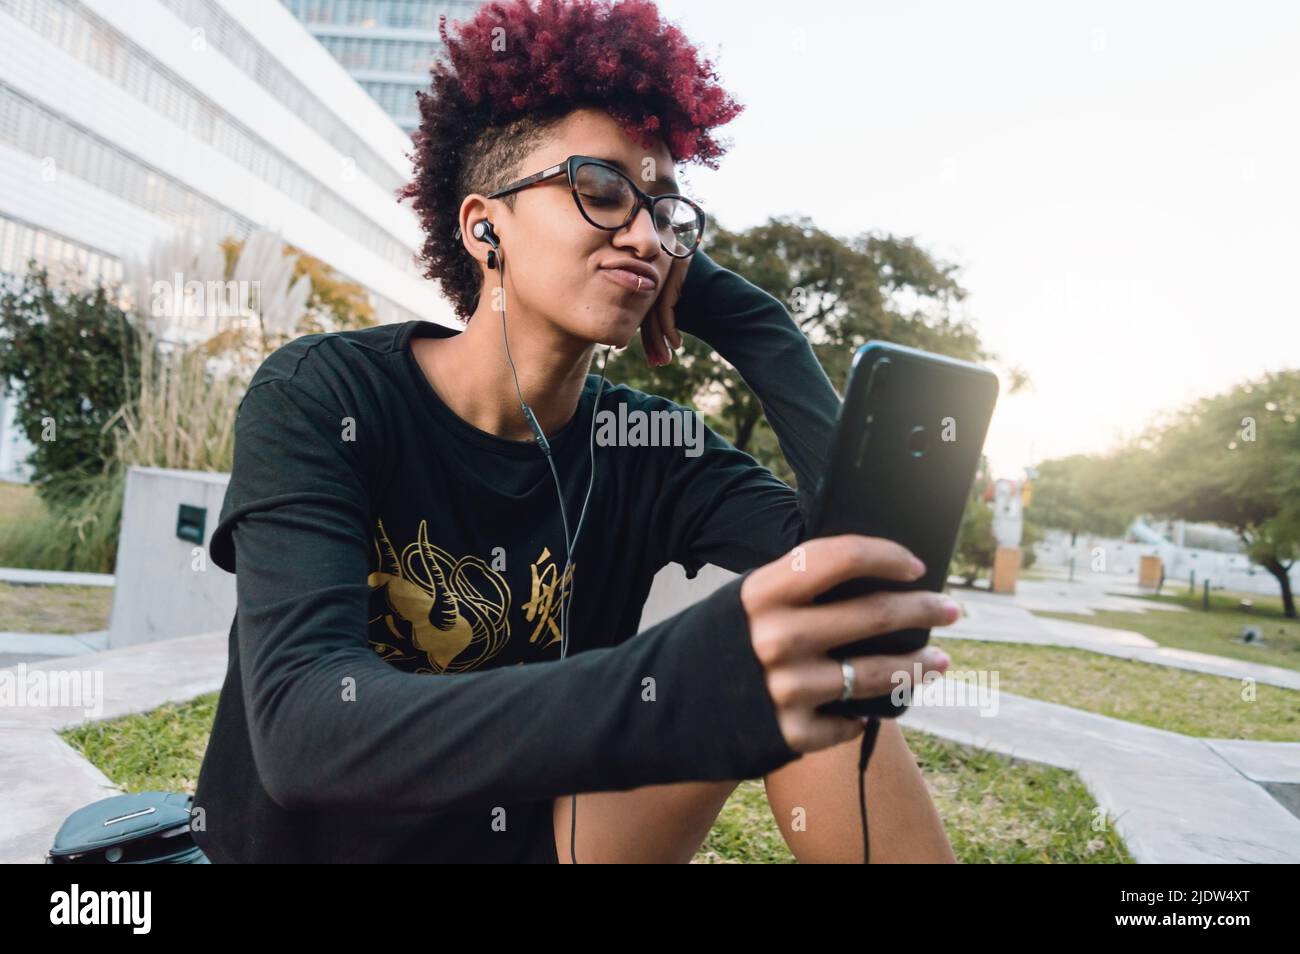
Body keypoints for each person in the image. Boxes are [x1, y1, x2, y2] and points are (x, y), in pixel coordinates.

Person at [191, 0, 958, 863]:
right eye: (599, 191)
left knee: (833, 686)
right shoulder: (324, 395)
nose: (644, 234)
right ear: (486, 226)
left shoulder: (652, 447)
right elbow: (304, 732)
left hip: (540, 849)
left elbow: (876, 582)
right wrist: (680, 686)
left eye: (667, 215)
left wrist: (754, 322)